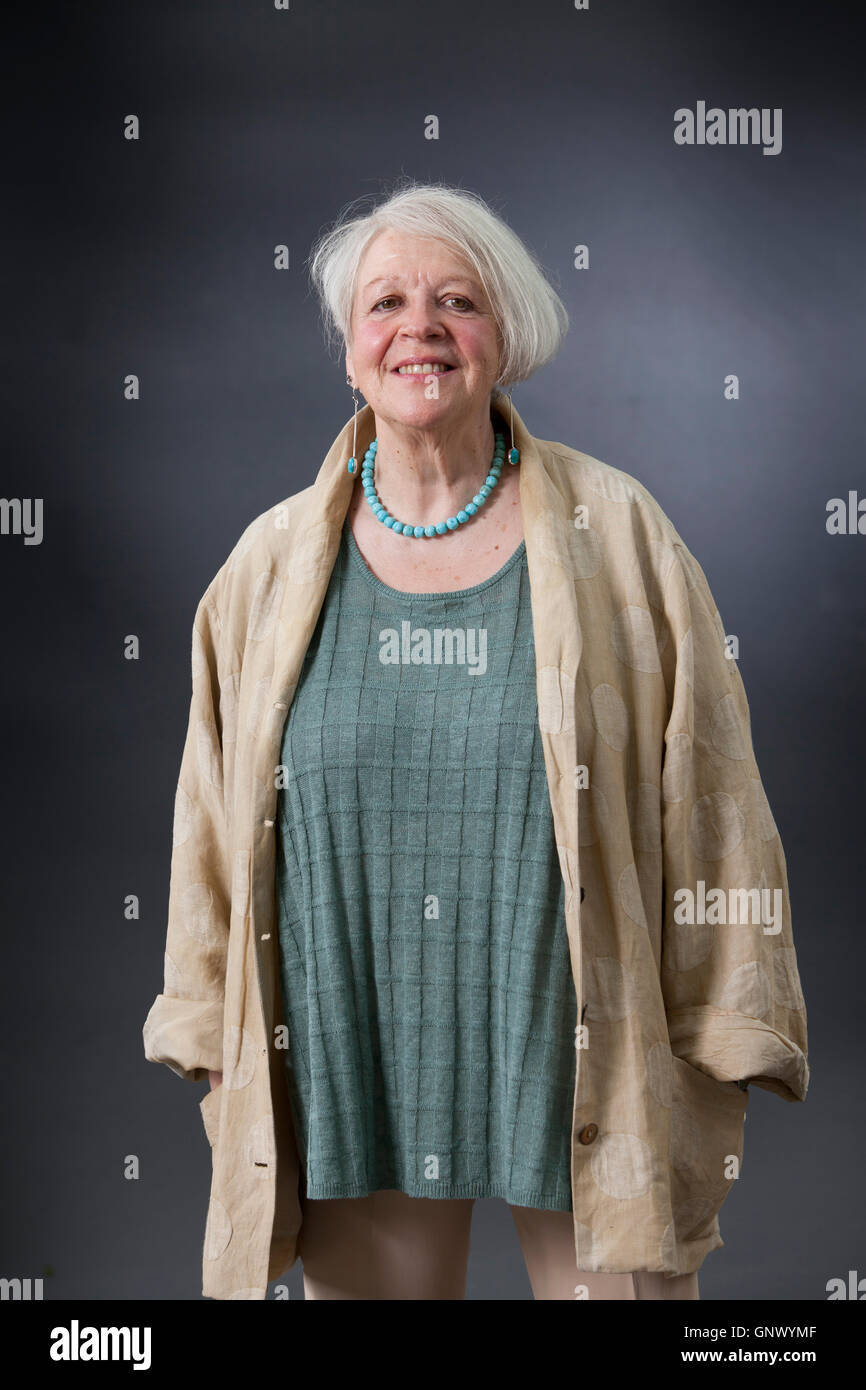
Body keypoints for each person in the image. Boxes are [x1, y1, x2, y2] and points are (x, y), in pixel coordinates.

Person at [143, 180, 809, 1301]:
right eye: (385, 303)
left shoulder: (620, 534)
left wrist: (728, 1009)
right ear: (347, 352)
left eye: (457, 301)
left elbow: (712, 789)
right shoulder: (263, 568)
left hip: (578, 1035)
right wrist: (208, 1008)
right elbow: (209, 813)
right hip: (354, 1041)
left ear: (504, 339)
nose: (420, 328)